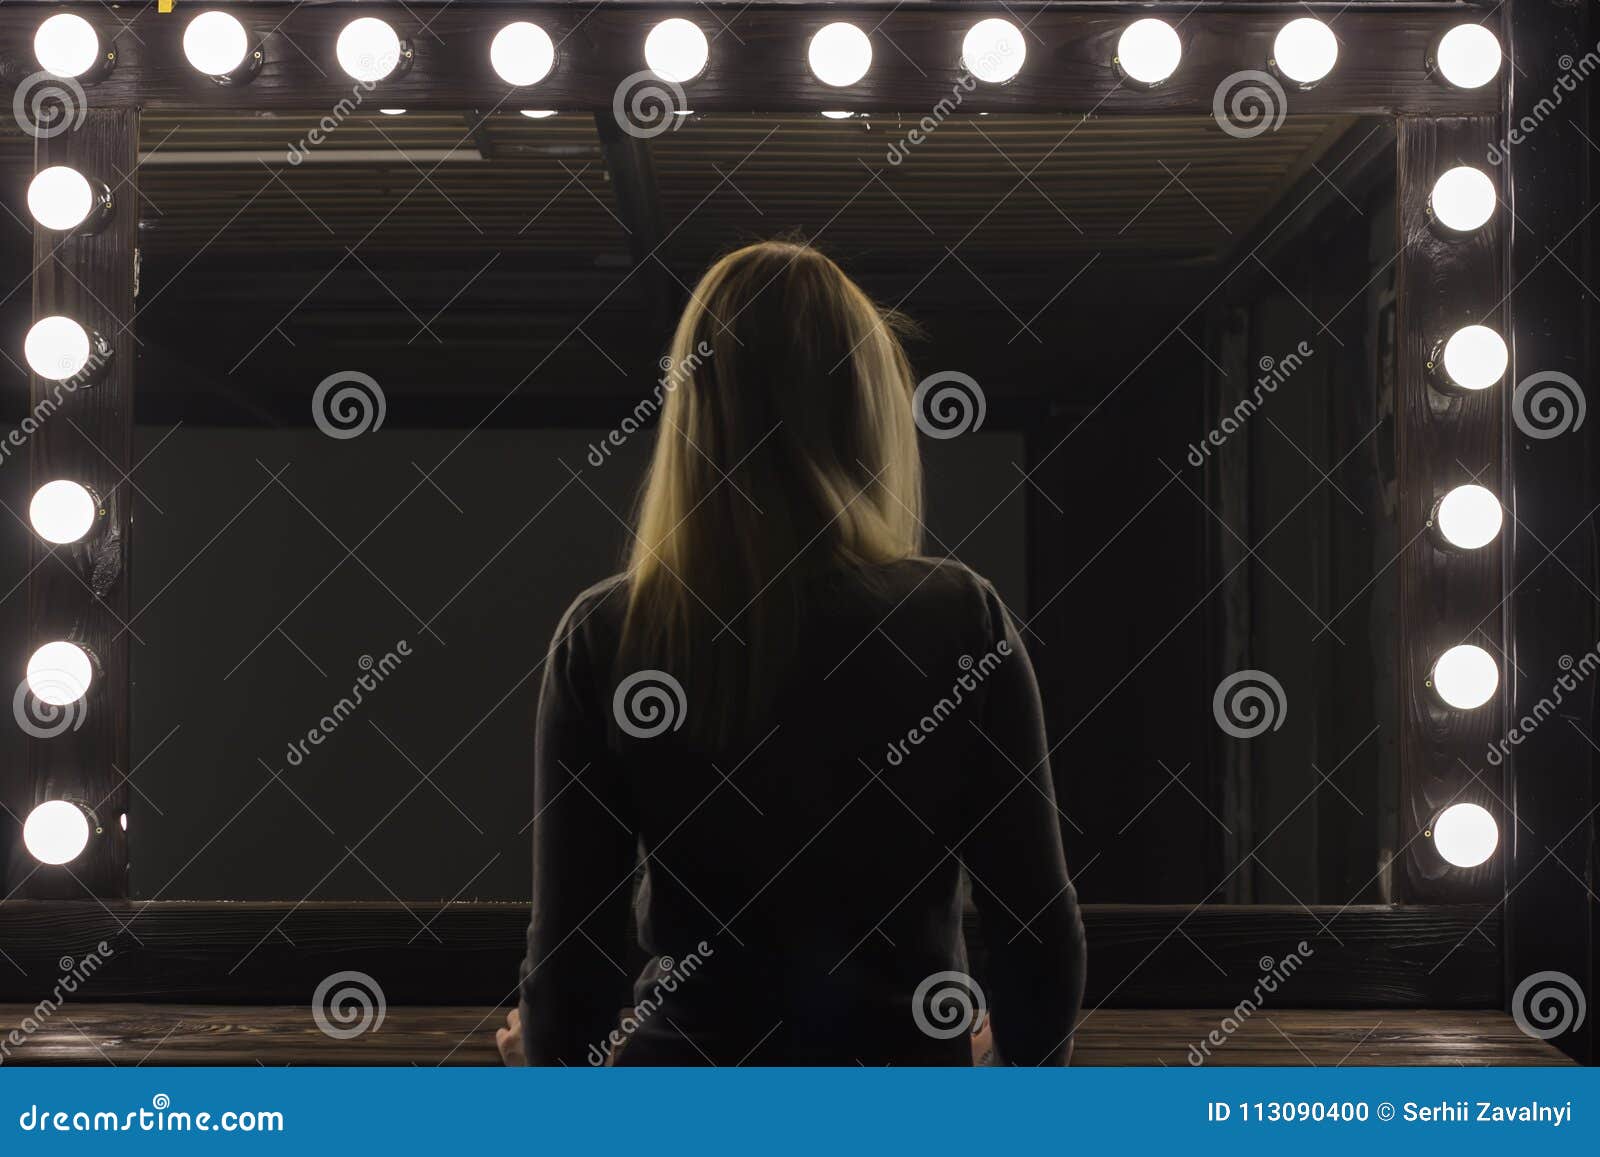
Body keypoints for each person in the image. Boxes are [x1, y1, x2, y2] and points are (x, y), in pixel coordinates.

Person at [496, 240, 1085, 1066]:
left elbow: (569, 966)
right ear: (863, 404)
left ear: (696, 410)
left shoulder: (609, 634)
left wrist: (555, 1073)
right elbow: (1040, 936)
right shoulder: (960, 620)